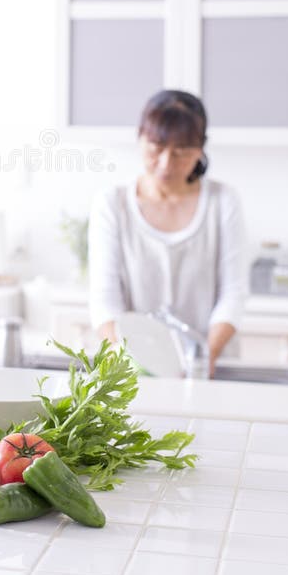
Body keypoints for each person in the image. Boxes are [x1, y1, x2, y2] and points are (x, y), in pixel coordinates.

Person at [88, 89, 247, 375]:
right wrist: (135, 362)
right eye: (155, 149)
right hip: (133, 368)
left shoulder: (223, 202)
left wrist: (203, 359)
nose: (166, 164)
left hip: (210, 366)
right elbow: (105, 299)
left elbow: (233, 293)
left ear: (200, 149)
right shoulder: (113, 203)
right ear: (139, 139)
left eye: (181, 153)